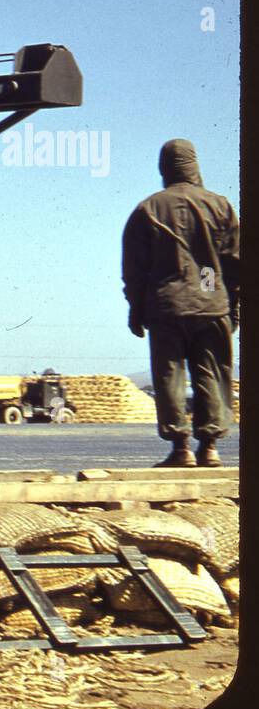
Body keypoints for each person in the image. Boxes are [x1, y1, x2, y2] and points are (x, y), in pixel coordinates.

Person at [121, 138, 240, 467]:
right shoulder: (220, 205)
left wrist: (136, 308)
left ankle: (181, 448)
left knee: (169, 376)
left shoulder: (149, 208)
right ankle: (211, 447)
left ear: (164, 167)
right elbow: (227, 263)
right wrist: (227, 303)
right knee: (211, 373)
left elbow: (135, 269)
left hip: (167, 306)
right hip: (211, 302)